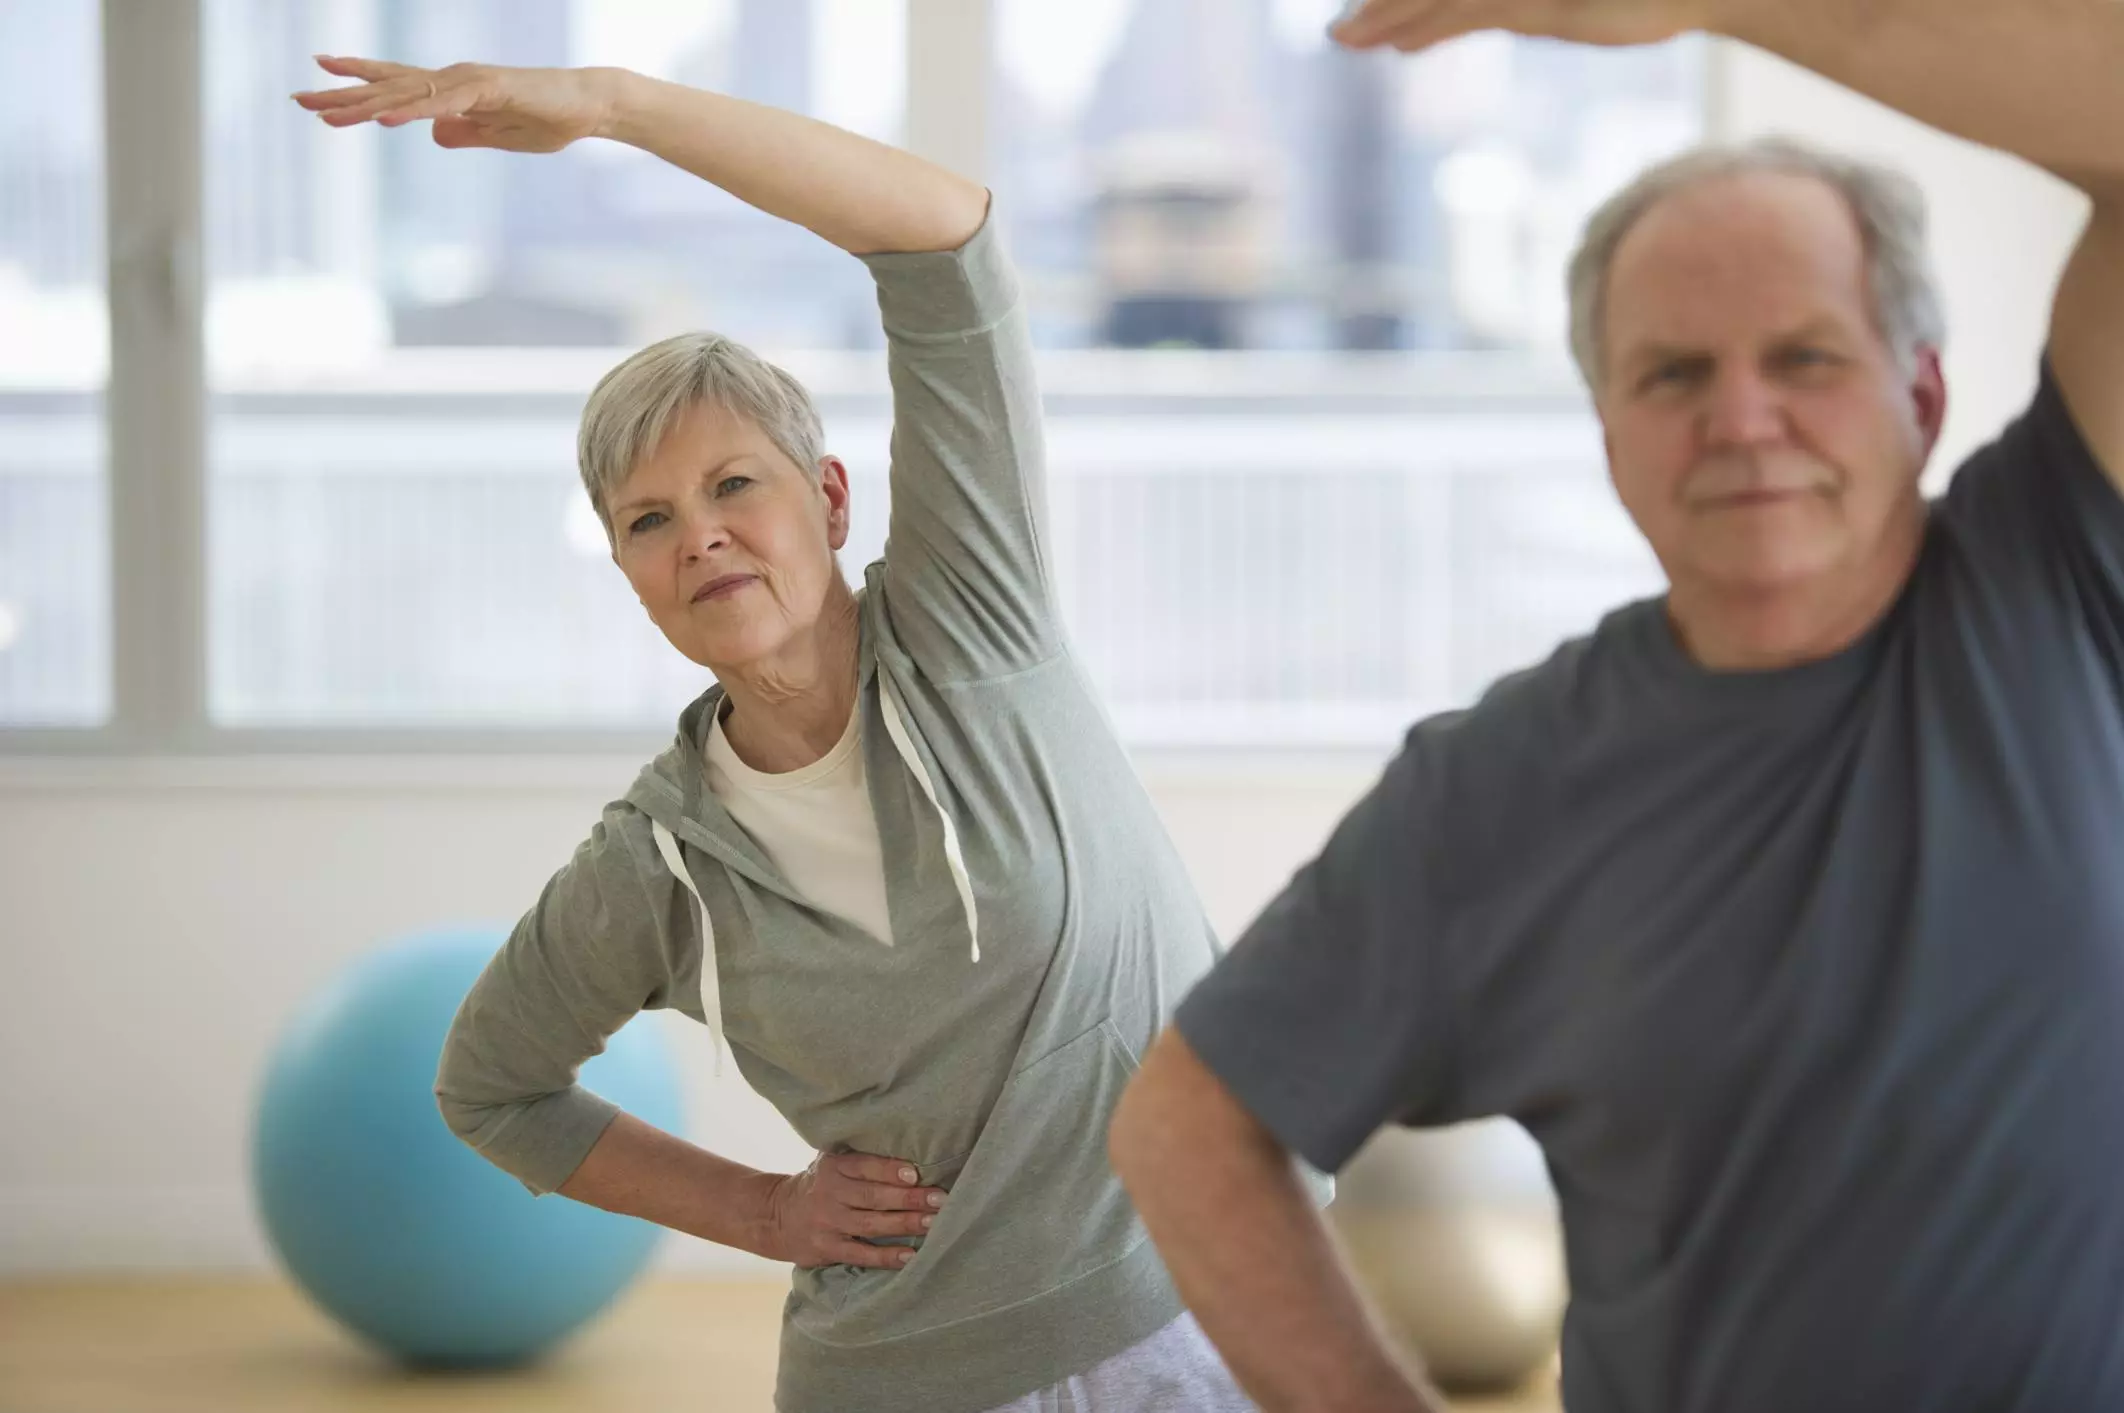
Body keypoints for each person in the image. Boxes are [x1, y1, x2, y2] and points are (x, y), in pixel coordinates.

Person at [1108, 1, 2124, 1410]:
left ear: (1925, 393)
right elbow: (1186, 1123)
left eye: (1806, 358)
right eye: (1675, 374)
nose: (1742, 420)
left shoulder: (2066, 575)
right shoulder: (1500, 784)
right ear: (1609, 433)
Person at [294, 55, 1268, 1413]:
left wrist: (615, 108)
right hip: (907, 1376)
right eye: (647, 520)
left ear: (825, 498)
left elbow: (945, 242)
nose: (697, 534)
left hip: (1206, 1309)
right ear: (632, 574)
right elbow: (492, 1087)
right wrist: (764, 1215)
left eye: (732, 484)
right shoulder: (657, 862)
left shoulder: (975, 632)